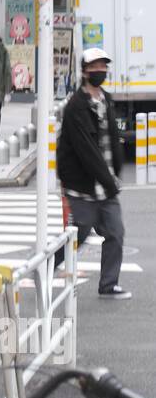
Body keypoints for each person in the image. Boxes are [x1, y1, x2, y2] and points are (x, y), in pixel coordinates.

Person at [57, 48, 130, 299]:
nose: (100, 71)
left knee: (115, 232)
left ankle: (109, 284)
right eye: (95, 67)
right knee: (79, 234)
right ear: (84, 71)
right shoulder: (76, 106)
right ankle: (44, 266)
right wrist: (109, 181)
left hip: (106, 184)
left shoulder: (106, 100)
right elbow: (86, 151)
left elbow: (112, 138)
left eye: (103, 66)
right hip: (83, 185)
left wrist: (115, 173)